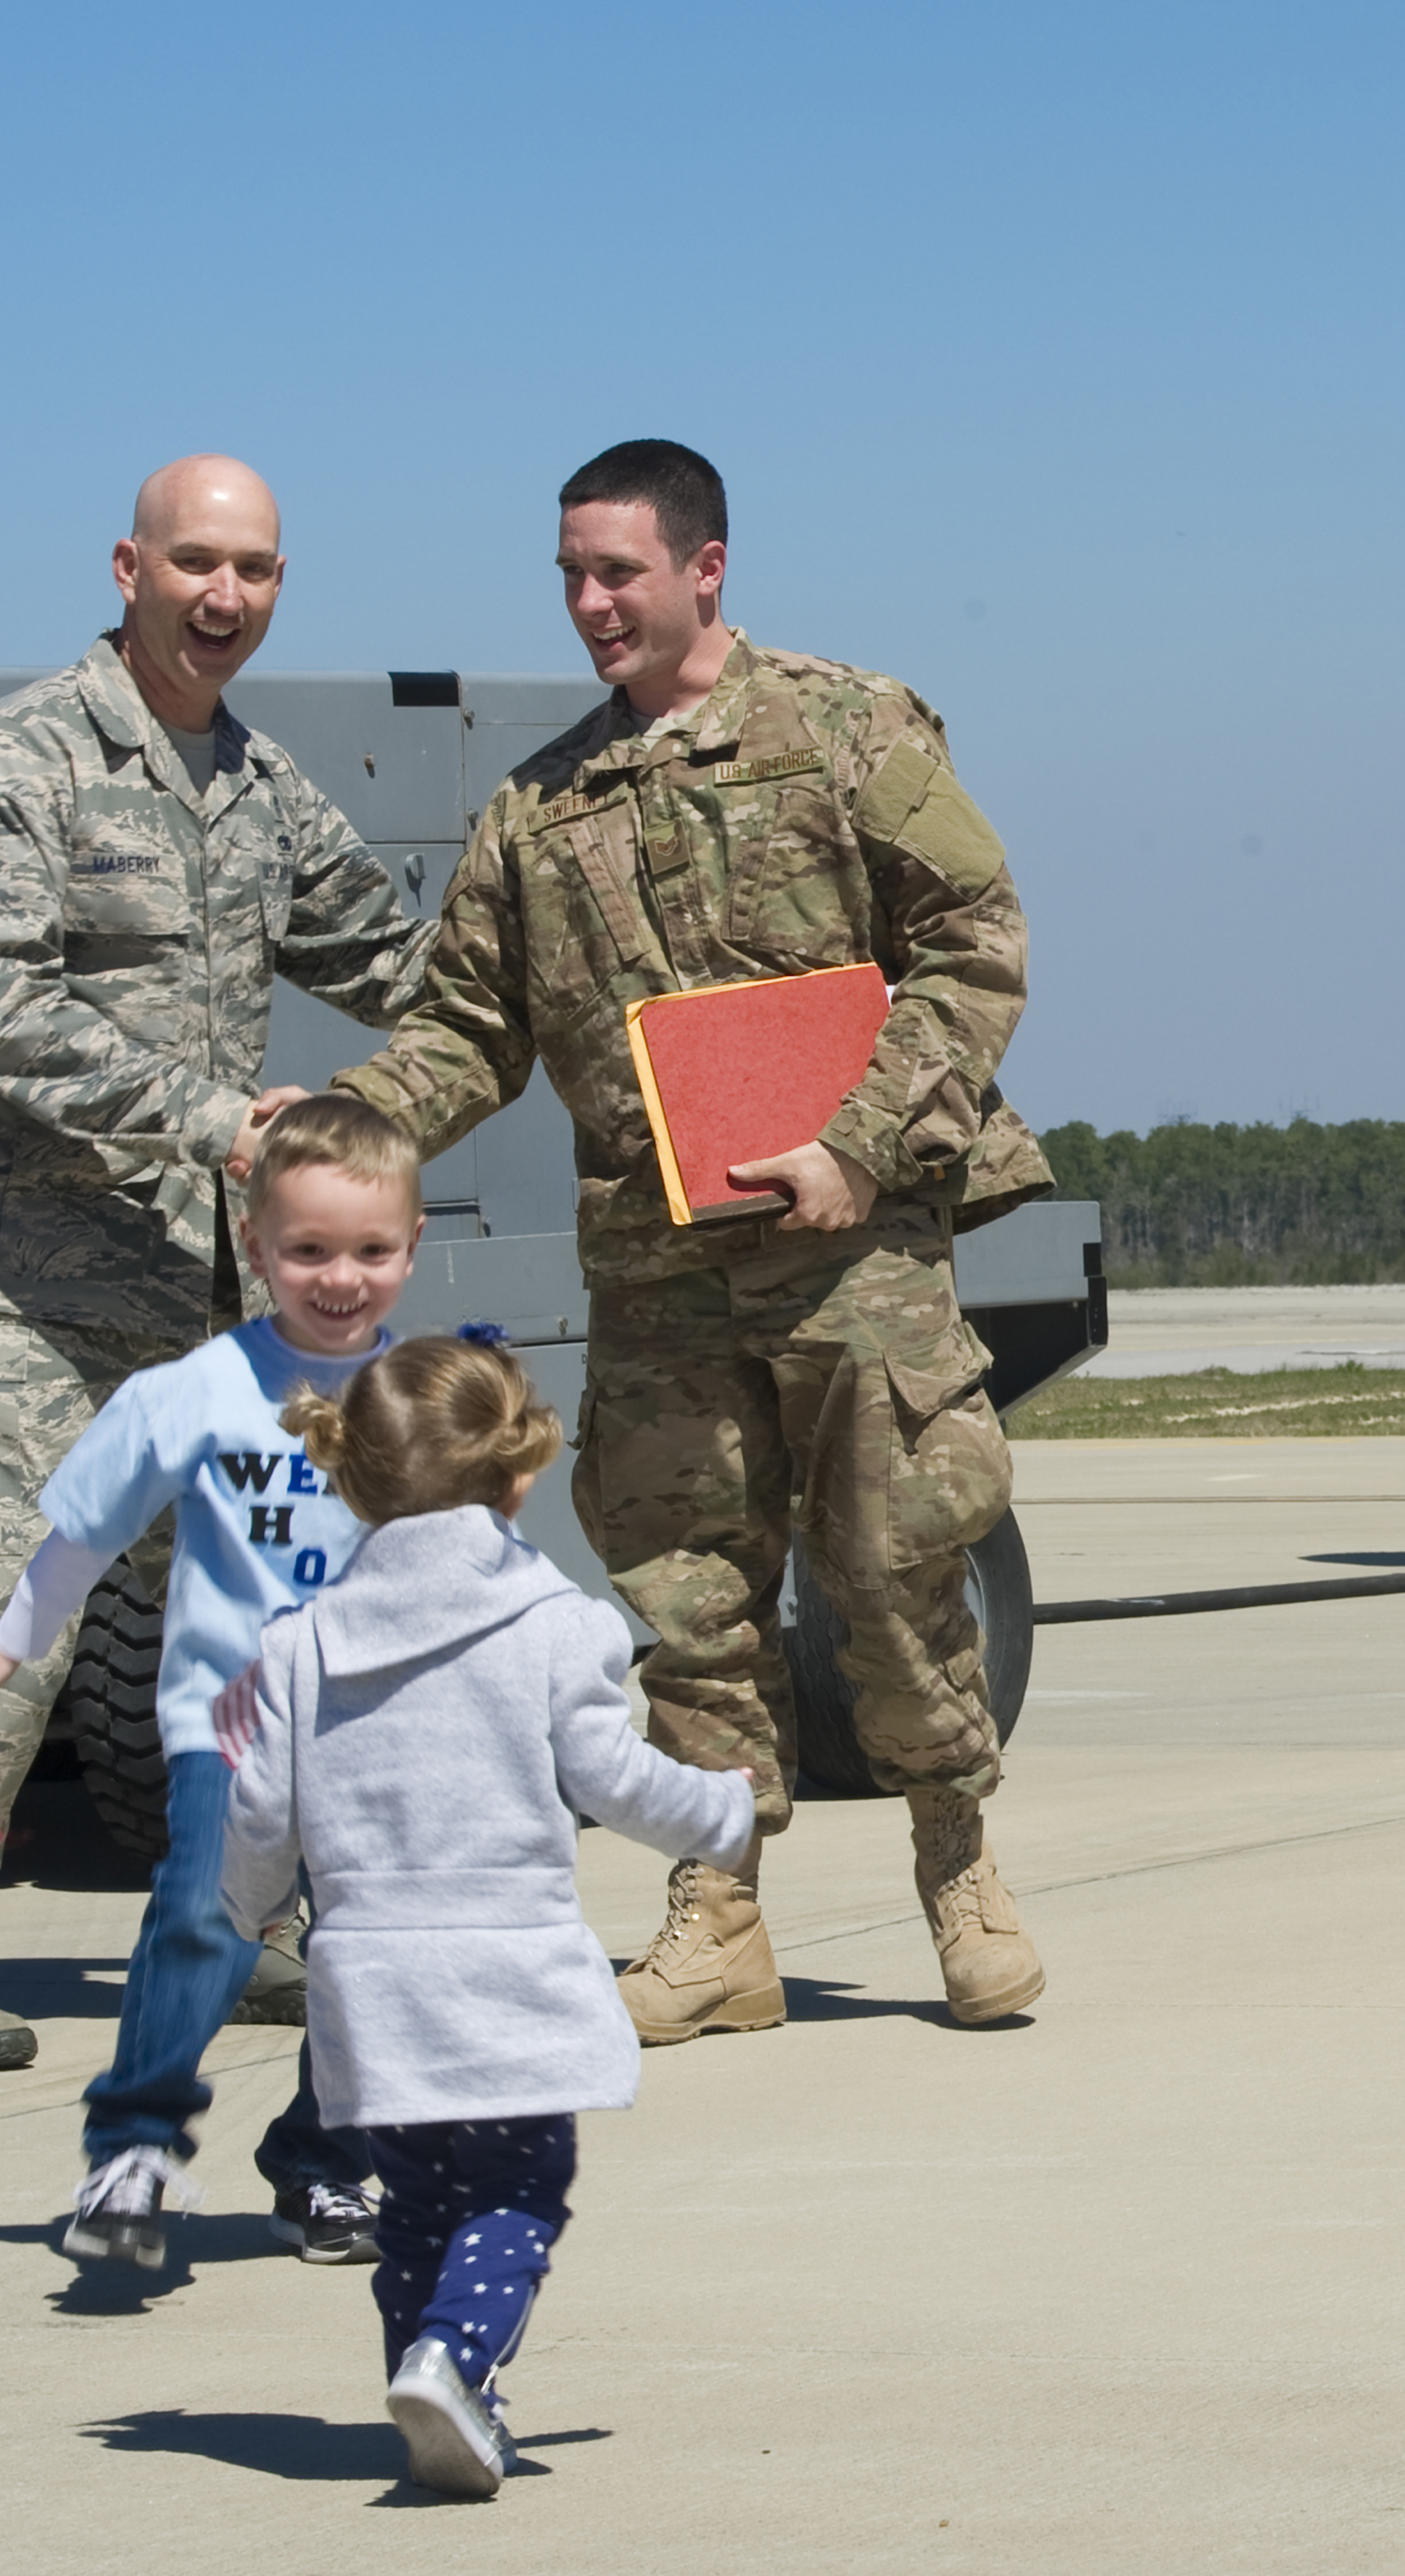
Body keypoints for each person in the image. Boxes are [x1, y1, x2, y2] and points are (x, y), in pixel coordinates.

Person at [333, 438, 1053, 2039]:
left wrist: (860, 1147)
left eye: (618, 574)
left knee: (893, 1569)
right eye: (570, 577)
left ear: (703, 567)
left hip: (849, 1259)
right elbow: (464, 1025)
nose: (590, 605)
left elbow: (972, 946)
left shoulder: (848, 728)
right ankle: (717, 1921)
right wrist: (349, 1133)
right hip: (655, 1270)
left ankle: (959, 1874)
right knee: (685, 1600)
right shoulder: (538, 811)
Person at [0, 455, 436, 2076]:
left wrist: (561, 1009)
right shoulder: (18, 759)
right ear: (126, 568)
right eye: (194, 564)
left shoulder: (252, 782)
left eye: (253, 569)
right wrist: (211, 1121)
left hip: (199, 1300)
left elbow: (389, 954)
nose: (223, 597)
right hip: (17, 1284)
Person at [219, 1333, 755, 2497]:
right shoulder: (555, 1625)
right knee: (517, 2191)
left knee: (412, 2203)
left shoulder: (303, 1645)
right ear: (519, 1476)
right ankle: (454, 2362)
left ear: (351, 1477)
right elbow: (615, 1784)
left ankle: (447, 2398)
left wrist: (242, 1908)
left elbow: (261, 1819)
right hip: (504, 1977)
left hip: (373, 1991)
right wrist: (722, 1813)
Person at [0, 1096, 420, 2265]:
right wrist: (7, 1642)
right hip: (231, 1720)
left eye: (371, 1251)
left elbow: (480, 1563)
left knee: (375, 1954)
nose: (340, 1277)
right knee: (203, 1920)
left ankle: (327, 2165)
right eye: (307, 1250)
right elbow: (85, 1535)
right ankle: (134, 2149)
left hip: (383, 1734)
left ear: (411, 1246)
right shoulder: (195, 1389)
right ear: (256, 1248)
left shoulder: (426, 1398)